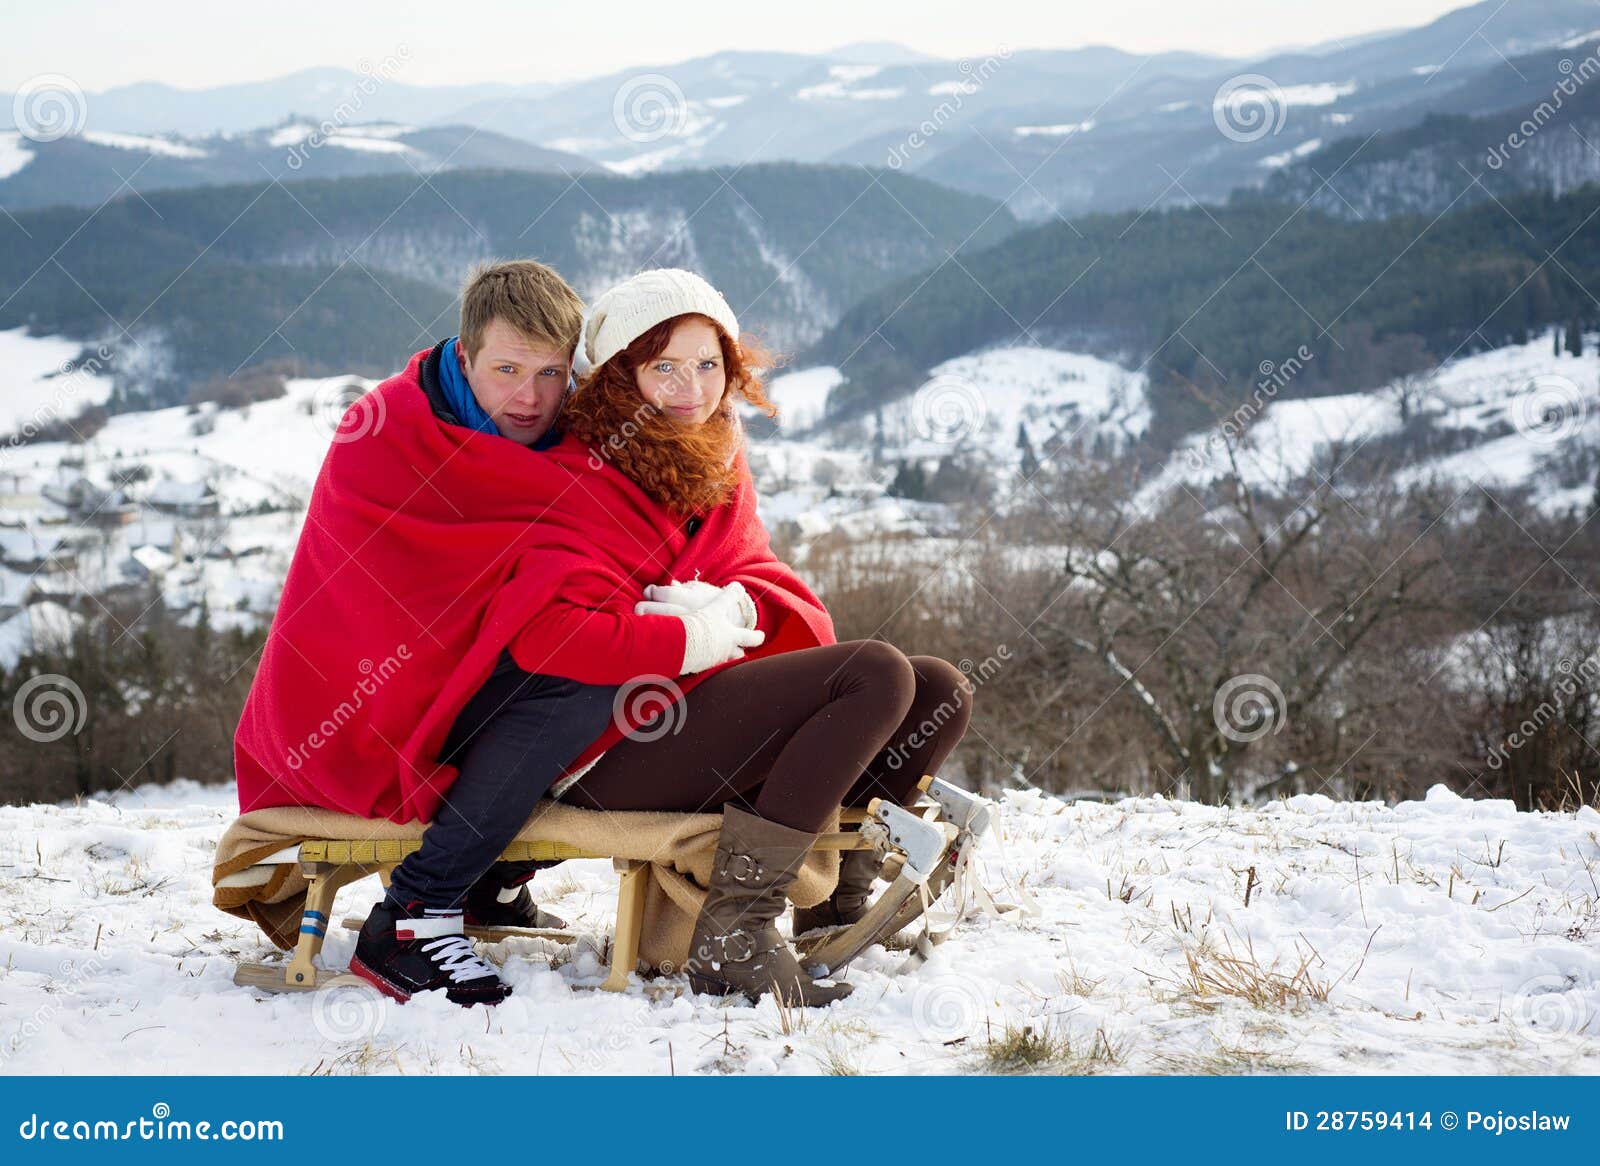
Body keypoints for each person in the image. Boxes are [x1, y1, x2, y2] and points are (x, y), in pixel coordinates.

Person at [512, 268, 976, 1006]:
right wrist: (667, 623)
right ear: (615, 377)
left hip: (698, 705)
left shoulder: (716, 459)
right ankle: (736, 934)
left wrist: (727, 606)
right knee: (876, 673)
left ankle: (832, 907)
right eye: (662, 364)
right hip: (606, 746)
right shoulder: (581, 471)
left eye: (707, 362)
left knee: (938, 689)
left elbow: (760, 576)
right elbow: (556, 634)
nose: (690, 385)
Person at [235, 260, 623, 1006]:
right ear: (465, 352)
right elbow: (374, 607)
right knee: (586, 669)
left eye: (550, 373)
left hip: (468, 687)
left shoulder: (572, 441)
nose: (530, 397)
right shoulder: (385, 432)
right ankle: (413, 912)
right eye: (506, 368)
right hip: (359, 712)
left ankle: (493, 878)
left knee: (627, 651)